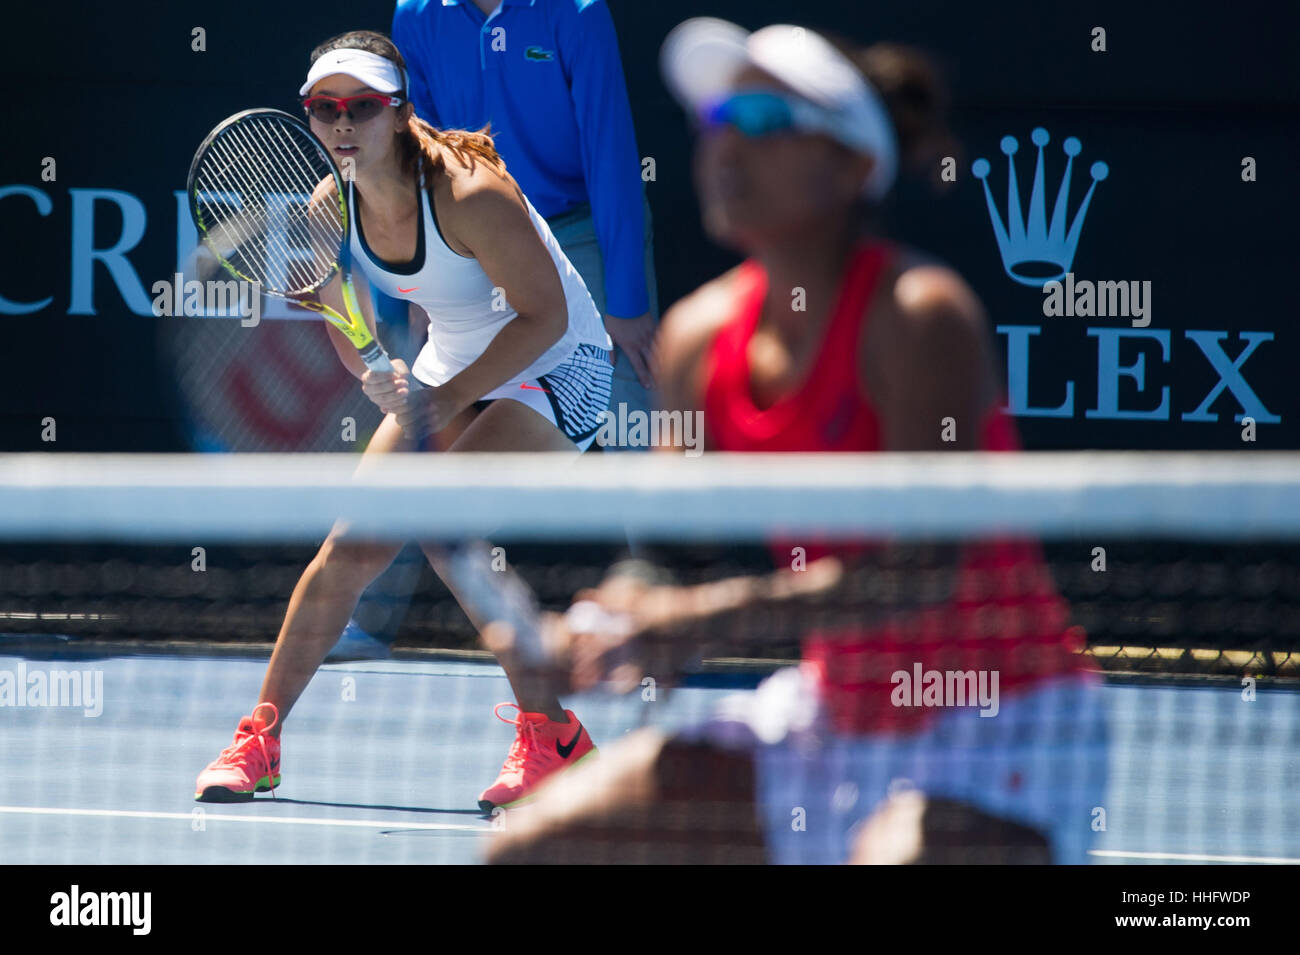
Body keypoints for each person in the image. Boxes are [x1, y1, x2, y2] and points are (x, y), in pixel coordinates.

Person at [484, 19, 1106, 865]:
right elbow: (669, 557)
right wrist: (605, 622)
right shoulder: (702, 337)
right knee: (528, 850)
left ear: (852, 167)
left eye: (767, 123)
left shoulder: (920, 316)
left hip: (1005, 720)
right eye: (717, 121)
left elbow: (923, 570)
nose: (728, 145)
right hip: (835, 713)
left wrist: (694, 619)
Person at [194, 30, 612, 813]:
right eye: (326, 109)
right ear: (311, 117)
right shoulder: (330, 208)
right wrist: (370, 372)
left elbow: (546, 317)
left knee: (446, 527)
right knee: (349, 547)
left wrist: (441, 400)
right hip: (450, 365)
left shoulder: (468, 193)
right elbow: (337, 308)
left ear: (400, 110)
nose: (343, 124)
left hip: (561, 365)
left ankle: (551, 736)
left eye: (363, 107)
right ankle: (261, 738)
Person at [391, 0, 658, 431]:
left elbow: (610, 155)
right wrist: (425, 289)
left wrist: (626, 304)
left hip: (582, 225)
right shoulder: (414, 15)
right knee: (465, 409)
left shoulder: (578, 11)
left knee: (622, 408)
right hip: (474, 237)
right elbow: (424, 152)